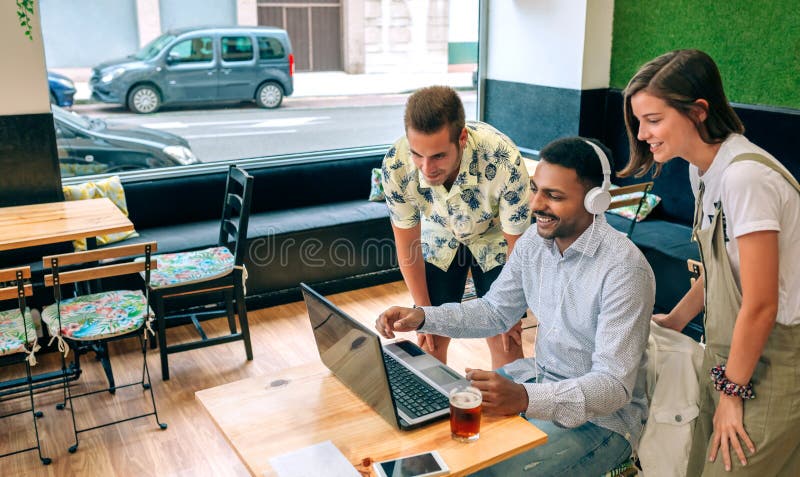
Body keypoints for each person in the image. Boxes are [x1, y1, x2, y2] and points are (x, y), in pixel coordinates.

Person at [377, 136, 655, 476]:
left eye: (553, 196)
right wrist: (423, 316)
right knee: (429, 441)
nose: (535, 204)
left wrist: (525, 398)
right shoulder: (534, 245)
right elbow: (494, 311)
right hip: (538, 381)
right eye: (535, 189)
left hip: (604, 423)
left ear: (595, 201)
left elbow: (612, 387)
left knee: (483, 471)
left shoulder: (625, 271)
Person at [621, 49, 800, 476]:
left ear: (698, 111)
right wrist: (678, 319)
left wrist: (732, 395)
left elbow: (760, 303)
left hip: (771, 362)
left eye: (654, 119)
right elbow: (722, 272)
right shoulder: (701, 170)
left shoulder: (745, 178)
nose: (643, 134)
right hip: (728, 356)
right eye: (639, 121)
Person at [381, 85, 531, 368]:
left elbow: (518, 247)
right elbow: (407, 246)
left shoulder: (504, 160)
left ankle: (512, 409)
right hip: (440, 231)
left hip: (495, 234)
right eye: (418, 154)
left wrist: (510, 312)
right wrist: (423, 312)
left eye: (438, 156)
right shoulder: (396, 165)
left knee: (505, 339)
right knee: (430, 338)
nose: (426, 168)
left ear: (461, 138)